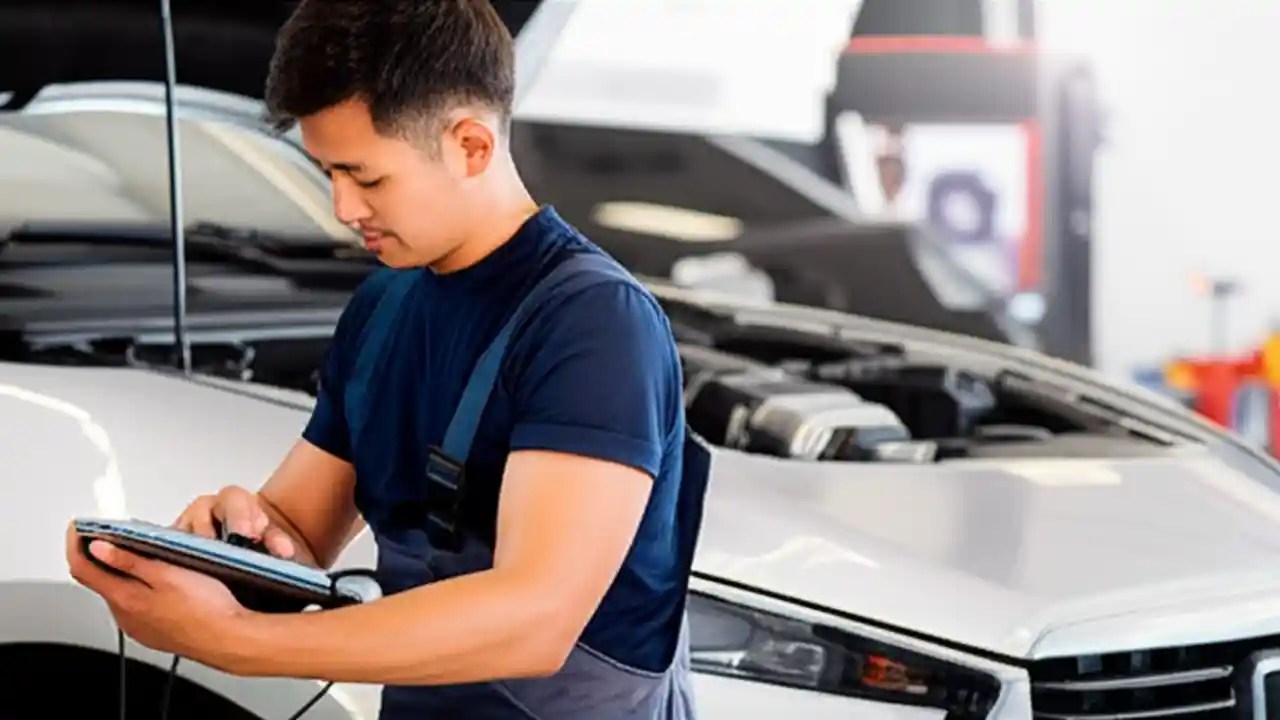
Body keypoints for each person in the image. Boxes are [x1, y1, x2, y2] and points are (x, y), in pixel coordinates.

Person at [64, 1, 709, 718]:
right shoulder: (385, 306)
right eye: (327, 173)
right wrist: (237, 541)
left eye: (365, 178)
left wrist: (237, 640)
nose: (342, 208)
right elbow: (302, 528)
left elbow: (535, 619)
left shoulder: (593, 324)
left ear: (471, 145)